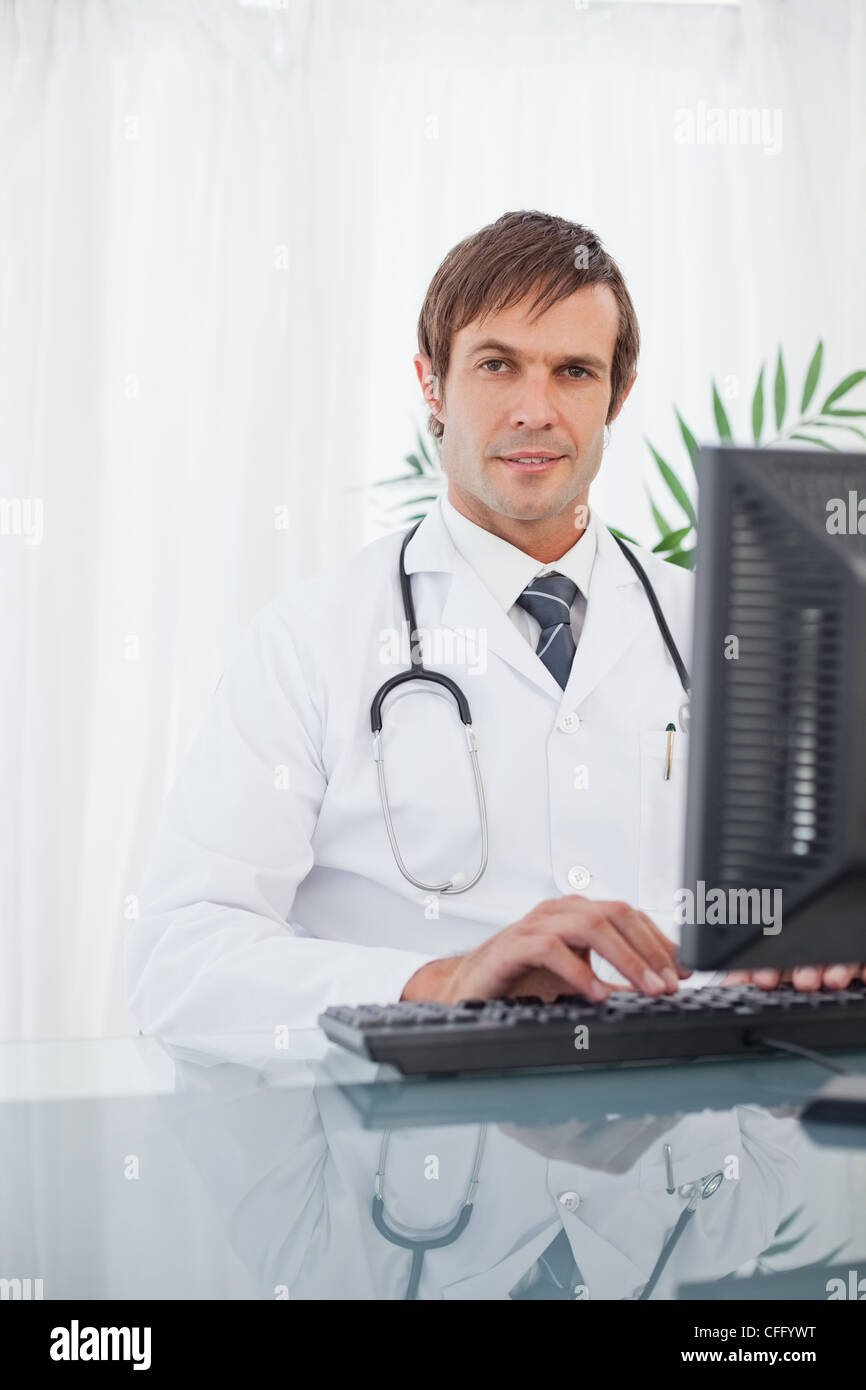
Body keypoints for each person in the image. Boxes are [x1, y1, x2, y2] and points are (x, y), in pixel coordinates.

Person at [126, 210, 864, 1036]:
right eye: (497, 365)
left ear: (617, 396)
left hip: (679, 1140)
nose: (535, 410)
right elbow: (178, 958)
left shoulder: (727, 632)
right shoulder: (308, 644)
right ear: (432, 385)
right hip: (414, 1145)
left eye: (575, 372)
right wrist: (439, 981)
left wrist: (818, 952)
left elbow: (798, 910)